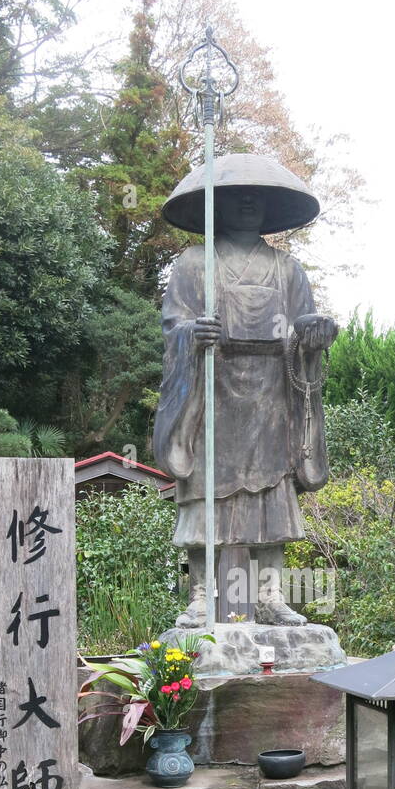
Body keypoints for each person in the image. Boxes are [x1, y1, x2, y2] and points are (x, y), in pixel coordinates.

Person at [154, 153, 338, 626]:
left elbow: (303, 328)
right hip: (212, 388)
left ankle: (271, 596)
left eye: (258, 198)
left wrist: (316, 334)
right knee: (206, 493)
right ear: (217, 206)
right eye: (237, 197)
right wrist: (192, 335)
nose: (249, 204)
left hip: (273, 393)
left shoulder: (288, 269)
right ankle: (200, 597)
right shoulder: (194, 263)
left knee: (271, 494)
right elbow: (173, 325)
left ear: (271, 209)